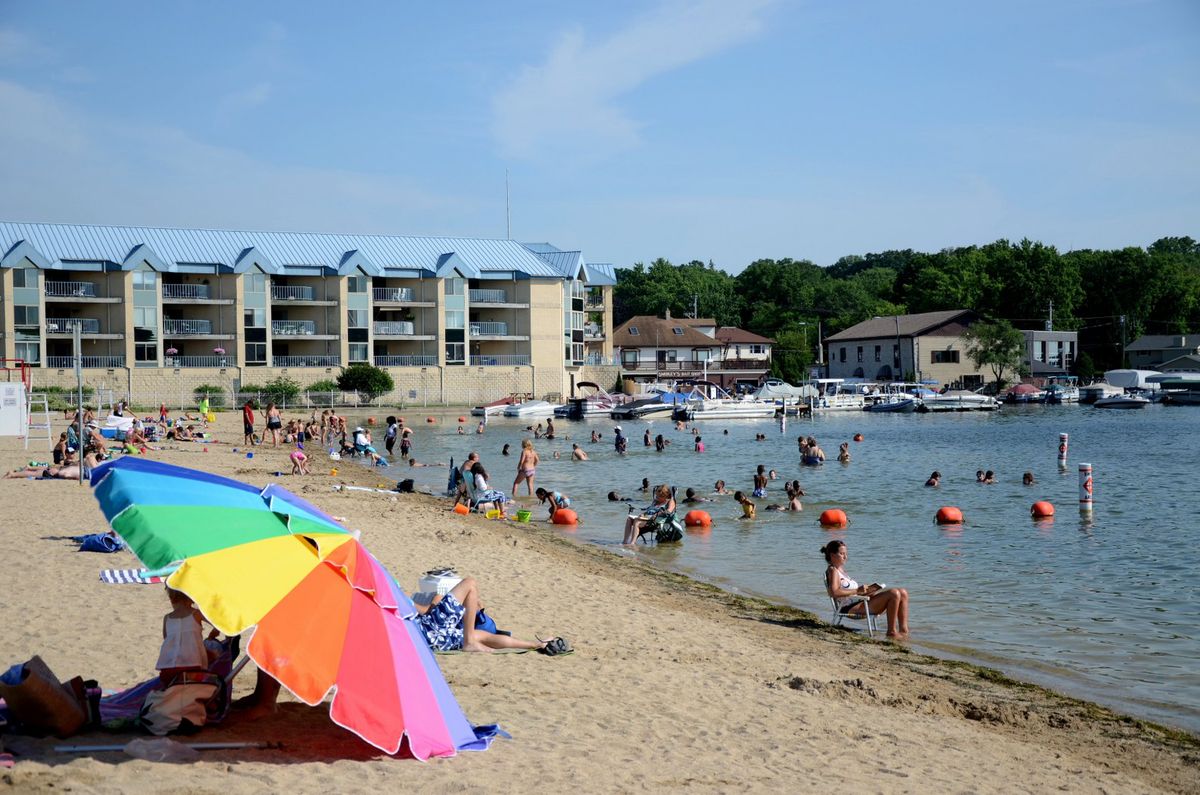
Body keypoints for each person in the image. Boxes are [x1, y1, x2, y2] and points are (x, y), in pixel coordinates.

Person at [821, 540, 909, 639]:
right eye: (842, 554)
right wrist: (857, 591)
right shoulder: (833, 570)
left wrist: (868, 592)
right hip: (850, 608)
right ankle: (891, 632)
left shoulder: (841, 571)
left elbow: (851, 594)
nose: (845, 557)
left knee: (903, 592)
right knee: (894, 593)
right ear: (832, 555)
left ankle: (904, 631)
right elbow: (834, 592)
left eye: (846, 554)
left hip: (859, 602)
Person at [157, 587, 218, 687]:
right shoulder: (196, 613)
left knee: (171, 688)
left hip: (167, 667)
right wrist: (213, 633)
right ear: (191, 599)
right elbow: (218, 624)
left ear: (171, 599)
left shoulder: (167, 618)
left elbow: (167, 639)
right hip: (192, 666)